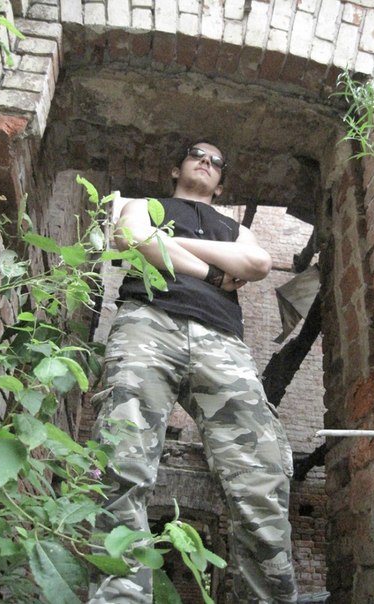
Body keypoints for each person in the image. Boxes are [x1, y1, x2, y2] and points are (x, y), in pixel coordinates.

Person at [89, 141, 298, 604]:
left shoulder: (237, 228)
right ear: (175, 168)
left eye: (216, 161)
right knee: (122, 462)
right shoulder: (146, 205)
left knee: (261, 477)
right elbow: (131, 238)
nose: (206, 161)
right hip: (148, 323)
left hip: (222, 342)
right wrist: (214, 272)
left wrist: (168, 244)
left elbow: (258, 264)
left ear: (220, 184)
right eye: (196, 153)